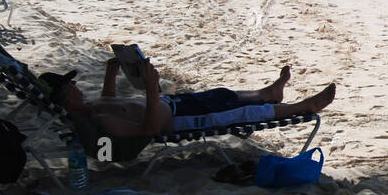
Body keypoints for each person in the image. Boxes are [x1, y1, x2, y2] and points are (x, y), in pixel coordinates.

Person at [40, 61, 334, 140]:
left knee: (223, 95)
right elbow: (148, 130)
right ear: (66, 97)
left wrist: (112, 71)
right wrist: (153, 90)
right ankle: (303, 107)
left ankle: (271, 92)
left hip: (177, 103)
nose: (77, 87)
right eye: (72, 86)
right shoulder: (99, 121)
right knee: (240, 113)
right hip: (182, 120)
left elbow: (109, 100)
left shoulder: (93, 108)